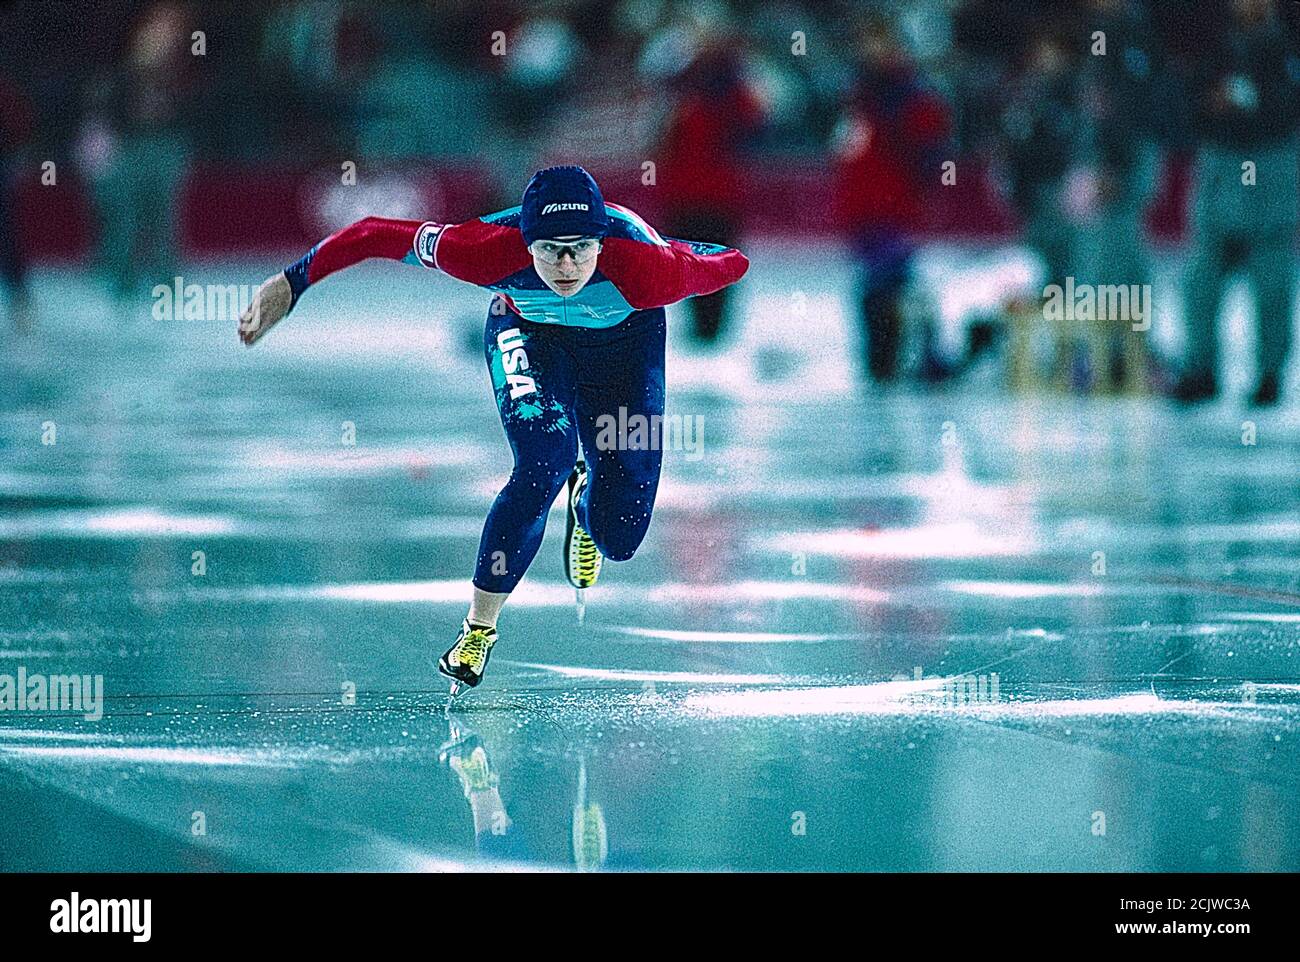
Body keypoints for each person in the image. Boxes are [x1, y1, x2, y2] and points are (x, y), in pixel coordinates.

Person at [238, 166, 748, 694]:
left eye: (580, 249)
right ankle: (479, 629)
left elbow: (731, 261)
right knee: (543, 462)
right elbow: (372, 234)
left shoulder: (650, 267)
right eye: (550, 250)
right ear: (525, 244)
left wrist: (681, 248)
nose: (567, 266)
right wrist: (291, 283)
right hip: (529, 334)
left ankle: (583, 501)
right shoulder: (483, 249)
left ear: (602, 242)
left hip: (625, 348)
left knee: (619, 538)